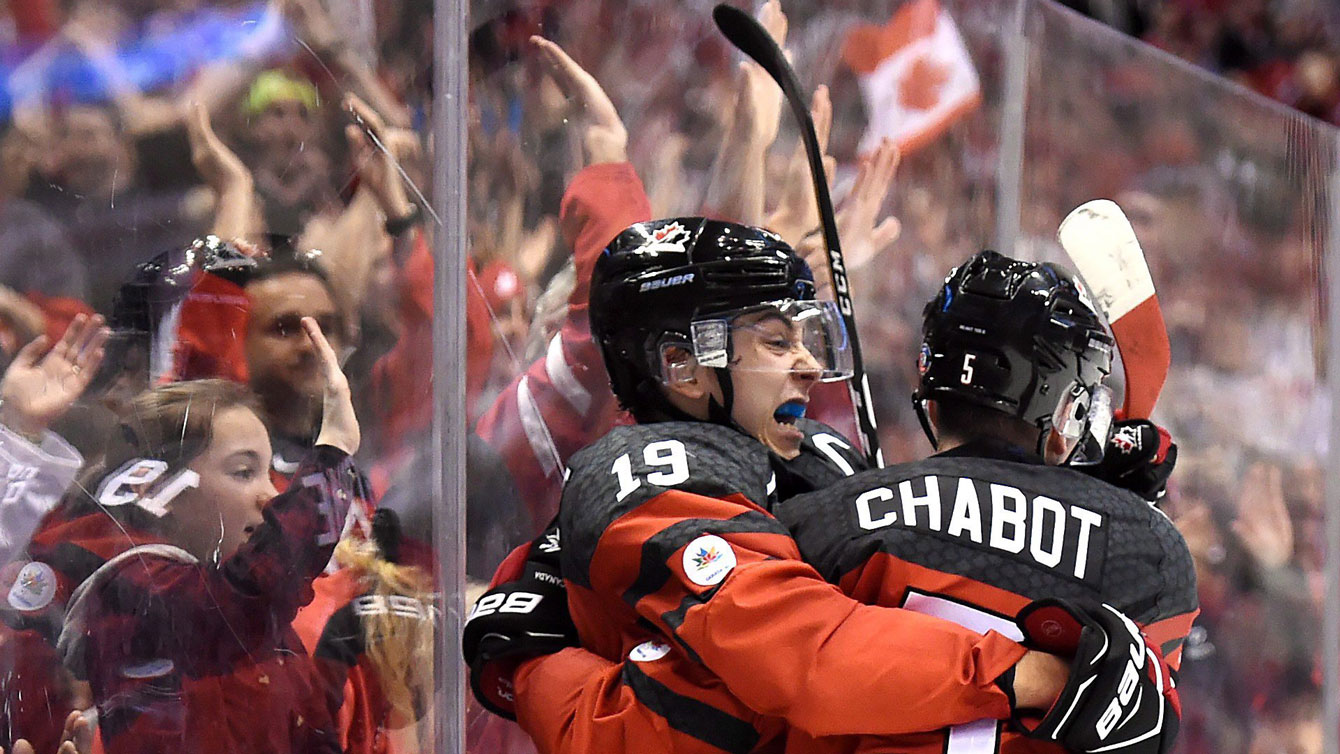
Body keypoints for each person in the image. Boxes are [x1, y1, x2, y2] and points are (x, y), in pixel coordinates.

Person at [466, 243, 1187, 754]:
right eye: (778, 342)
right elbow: (801, 654)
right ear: (681, 365)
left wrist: (1077, 479)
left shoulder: (827, 477)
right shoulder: (650, 470)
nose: (812, 365)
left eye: (809, 336)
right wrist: (1030, 670)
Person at [50, 317, 361, 754]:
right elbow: (252, 590)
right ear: (156, 490)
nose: (270, 497)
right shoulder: (132, 589)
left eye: (269, 472)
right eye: (242, 472)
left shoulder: (260, 624)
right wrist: (332, 454)